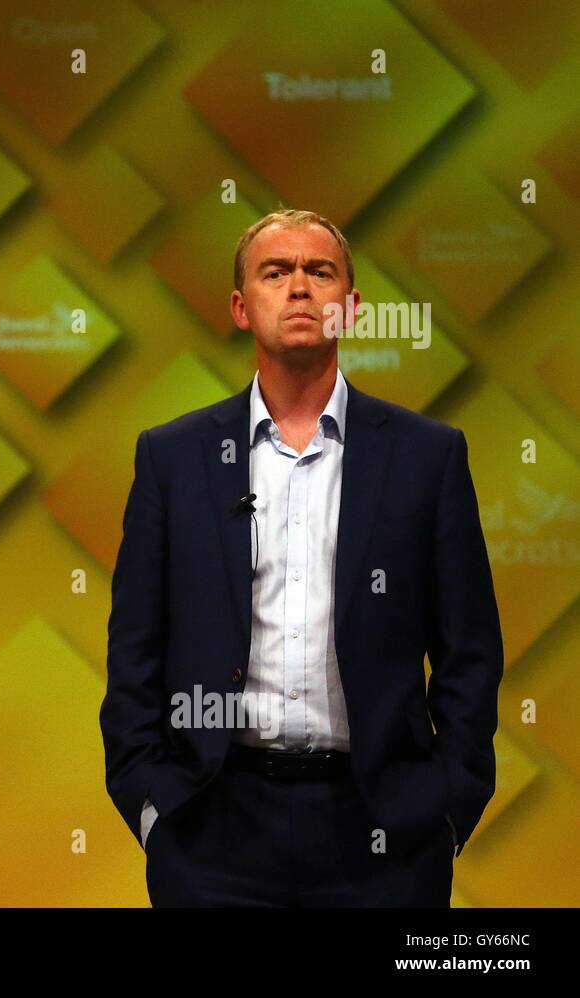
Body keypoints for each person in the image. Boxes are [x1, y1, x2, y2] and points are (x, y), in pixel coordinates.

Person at [100, 208, 503, 906]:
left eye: (320, 273)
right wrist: (151, 808)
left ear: (349, 308)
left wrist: (445, 809)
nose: (299, 288)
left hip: (385, 836)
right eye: (275, 272)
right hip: (210, 829)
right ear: (239, 306)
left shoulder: (427, 456)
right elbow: (135, 649)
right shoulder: (173, 458)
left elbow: (469, 651)